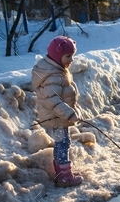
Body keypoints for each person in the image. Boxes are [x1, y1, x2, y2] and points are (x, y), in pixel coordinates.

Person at [31, 36, 83, 187]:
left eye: (72, 56)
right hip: (55, 117)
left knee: (63, 142)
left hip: (59, 116)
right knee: (62, 143)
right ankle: (64, 176)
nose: (71, 60)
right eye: (68, 56)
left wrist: (75, 111)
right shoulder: (53, 76)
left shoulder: (58, 70)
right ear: (57, 56)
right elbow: (53, 100)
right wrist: (69, 114)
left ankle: (63, 173)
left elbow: (67, 96)